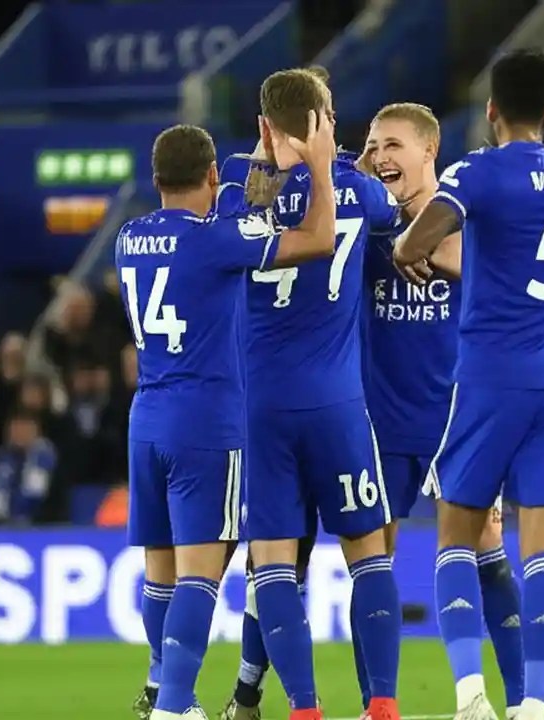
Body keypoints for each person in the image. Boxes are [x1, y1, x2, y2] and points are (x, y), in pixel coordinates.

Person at [392, 49, 544, 720]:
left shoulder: (477, 172)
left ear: (490, 110)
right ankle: (535, 704)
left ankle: (471, 696)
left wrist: (409, 253)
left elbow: (416, 240)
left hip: (489, 376)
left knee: (456, 535)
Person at [120, 116, 336, 720]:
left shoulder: (129, 238)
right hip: (205, 421)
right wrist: (313, 168)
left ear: (157, 177)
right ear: (213, 174)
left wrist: (261, 173)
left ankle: (164, 689)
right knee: (200, 575)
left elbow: (241, 220)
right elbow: (315, 238)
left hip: (148, 417)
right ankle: (176, 706)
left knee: (159, 572)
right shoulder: (215, 240)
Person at [214, 68, 403, 720]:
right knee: (367, 552)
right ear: (327, 120)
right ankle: (381, 703)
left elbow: (242, 210)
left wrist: (269, 164)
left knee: (270, 562)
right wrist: (333, 165)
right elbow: (392, 215)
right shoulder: (356, 189)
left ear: (265, 125)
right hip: (340, 405)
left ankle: (302, 707)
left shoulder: (239, 193)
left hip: (261, 407)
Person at [359, 102, 526, 719]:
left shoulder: (467, 221)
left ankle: (516, 702)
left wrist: (442, 255)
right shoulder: (365, 226)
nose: (381, 156)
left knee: (486, 549)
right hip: (383, 419)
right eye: (373, 145)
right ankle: (379, 703)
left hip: (459, 413)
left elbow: (513, 281)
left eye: (394, 145)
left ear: (431, 151)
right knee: (373, 559)